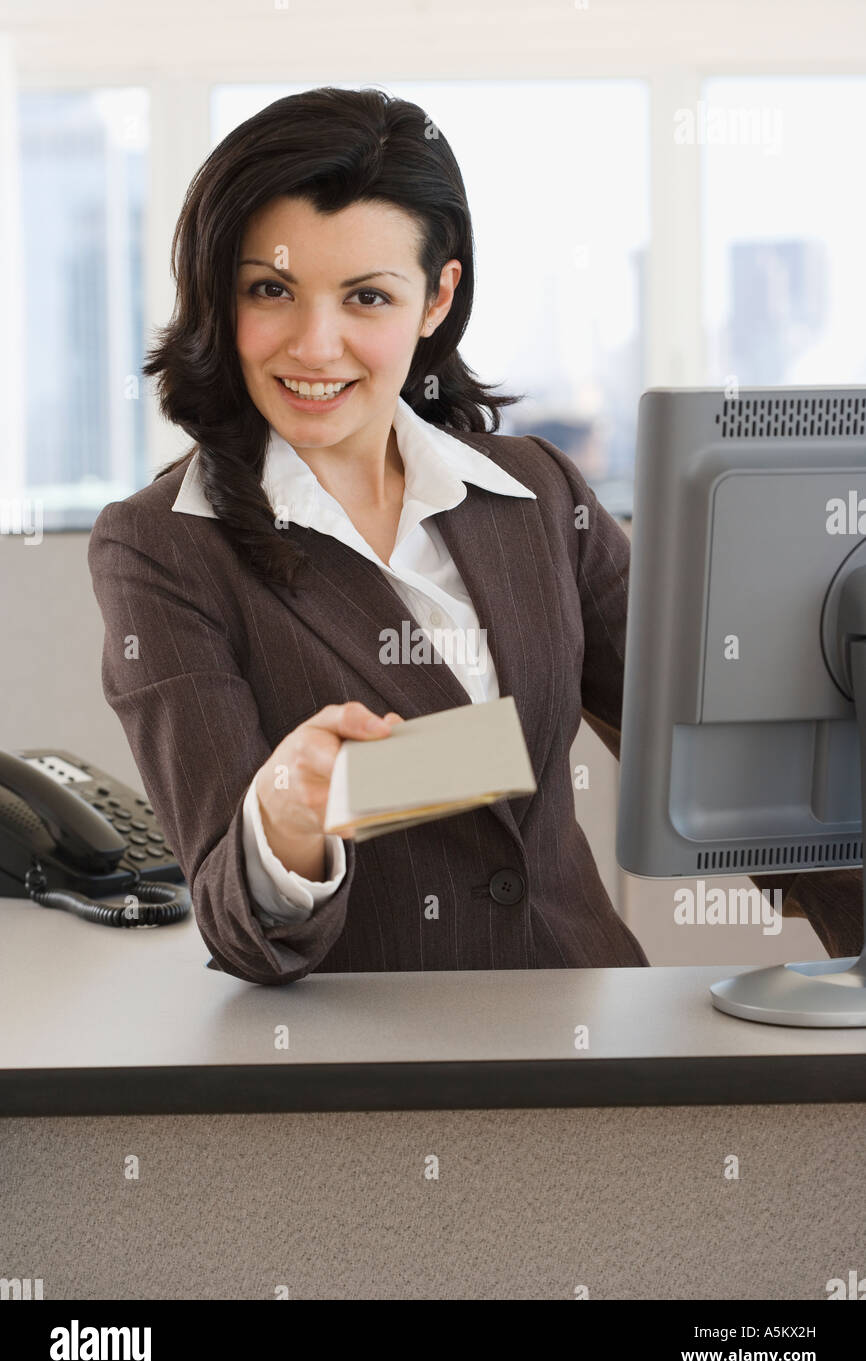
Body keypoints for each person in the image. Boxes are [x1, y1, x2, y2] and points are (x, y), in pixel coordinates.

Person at [88, 86, 863, 985]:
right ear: (221, 296)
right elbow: (237, 920)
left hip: (589, 1034)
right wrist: (285, 817)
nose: (314, 343)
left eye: (366, 297)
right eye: (273, 289)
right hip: (364, 1075)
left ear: (435, 298)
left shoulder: (536, 491)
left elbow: (726, 769)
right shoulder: (163, 547)